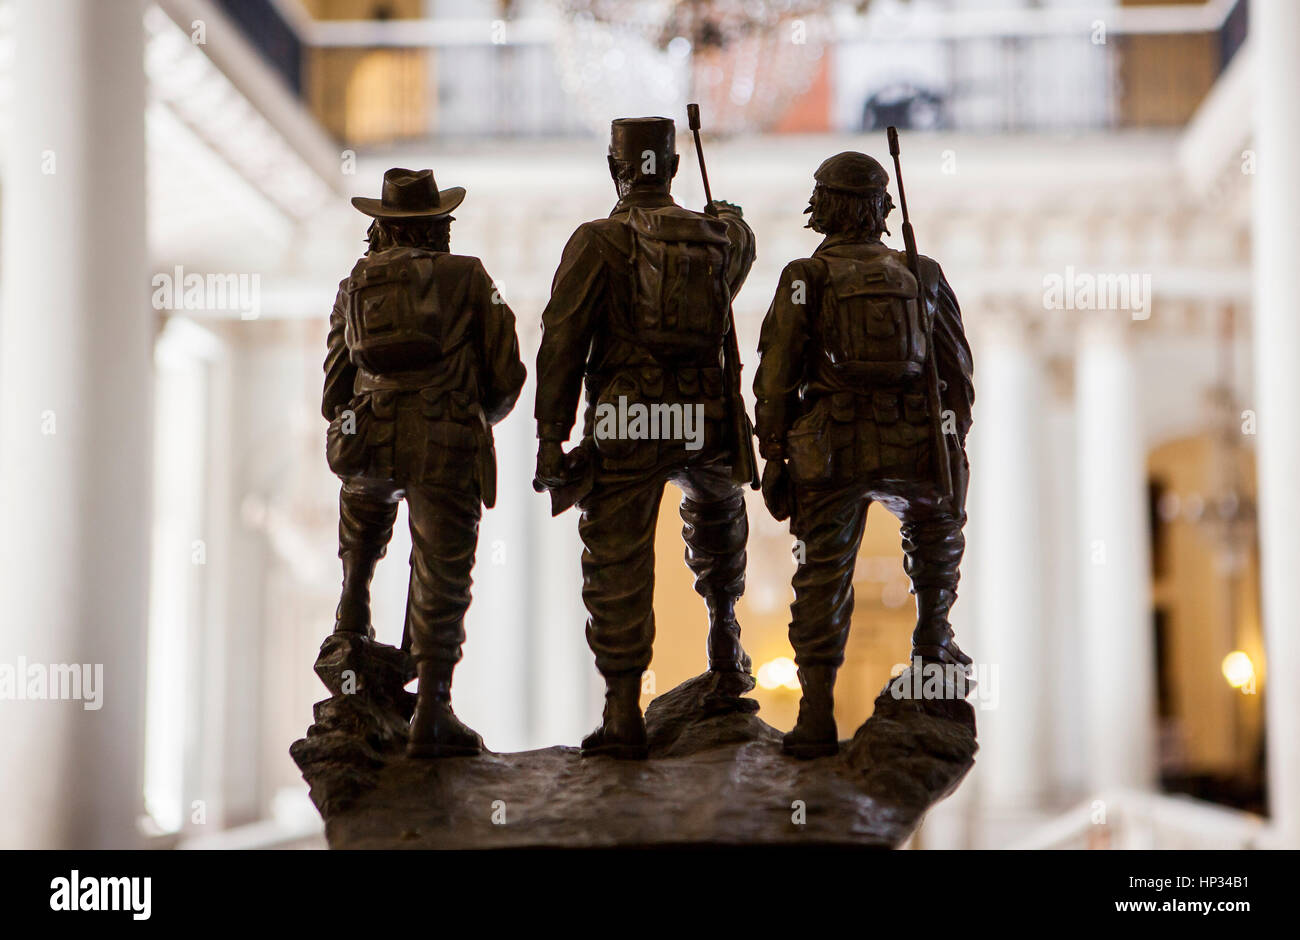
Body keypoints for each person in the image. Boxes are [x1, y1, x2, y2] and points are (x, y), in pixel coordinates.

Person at [533, 117, 757, 759]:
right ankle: (725, 643)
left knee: (618, 558)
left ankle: (622, 709)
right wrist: (730, 217)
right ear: (675, 169)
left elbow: (563, 343)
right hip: (706, 417)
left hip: (627, 420)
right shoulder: (723, 240)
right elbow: (736, 261)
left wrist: (553, 436)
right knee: (718, 521)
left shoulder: (598, 240)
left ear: (615, 167)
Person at [753, 151, 974, 758]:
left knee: (822, 574)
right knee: (937, 534)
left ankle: (816, 716)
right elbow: (956, 375)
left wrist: (772, 453)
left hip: (832, 447)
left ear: (821, 209)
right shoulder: (922, 273)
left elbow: (775, 376)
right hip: (912, 444)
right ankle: (933, 640)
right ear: (882, 209)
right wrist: (950, 442)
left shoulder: (805, 276)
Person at [323, 167, 525, 757]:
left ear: (380, 229)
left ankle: (349, 648)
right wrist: (470, 411)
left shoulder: (354, 284)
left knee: (359, 557)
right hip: (446, 440)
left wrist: (368, 407)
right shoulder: (470, 277)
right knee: (441, 572)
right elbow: (507, 374)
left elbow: (334, 393)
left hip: (369, 441)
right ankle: (433, 711)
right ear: (440, 227)